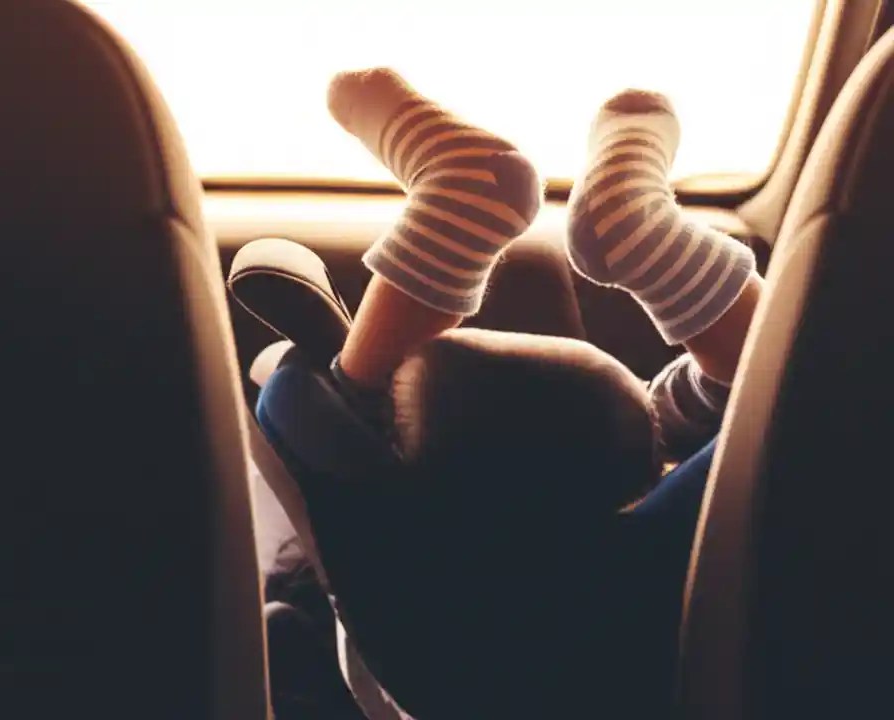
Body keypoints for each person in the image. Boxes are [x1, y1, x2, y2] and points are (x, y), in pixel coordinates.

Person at [253, 69, 762, 719]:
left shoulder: (422, 618)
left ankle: (374, 374)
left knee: (763, 412)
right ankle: (613, 227)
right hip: (612, 588)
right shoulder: (650, 583)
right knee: (762, 414)